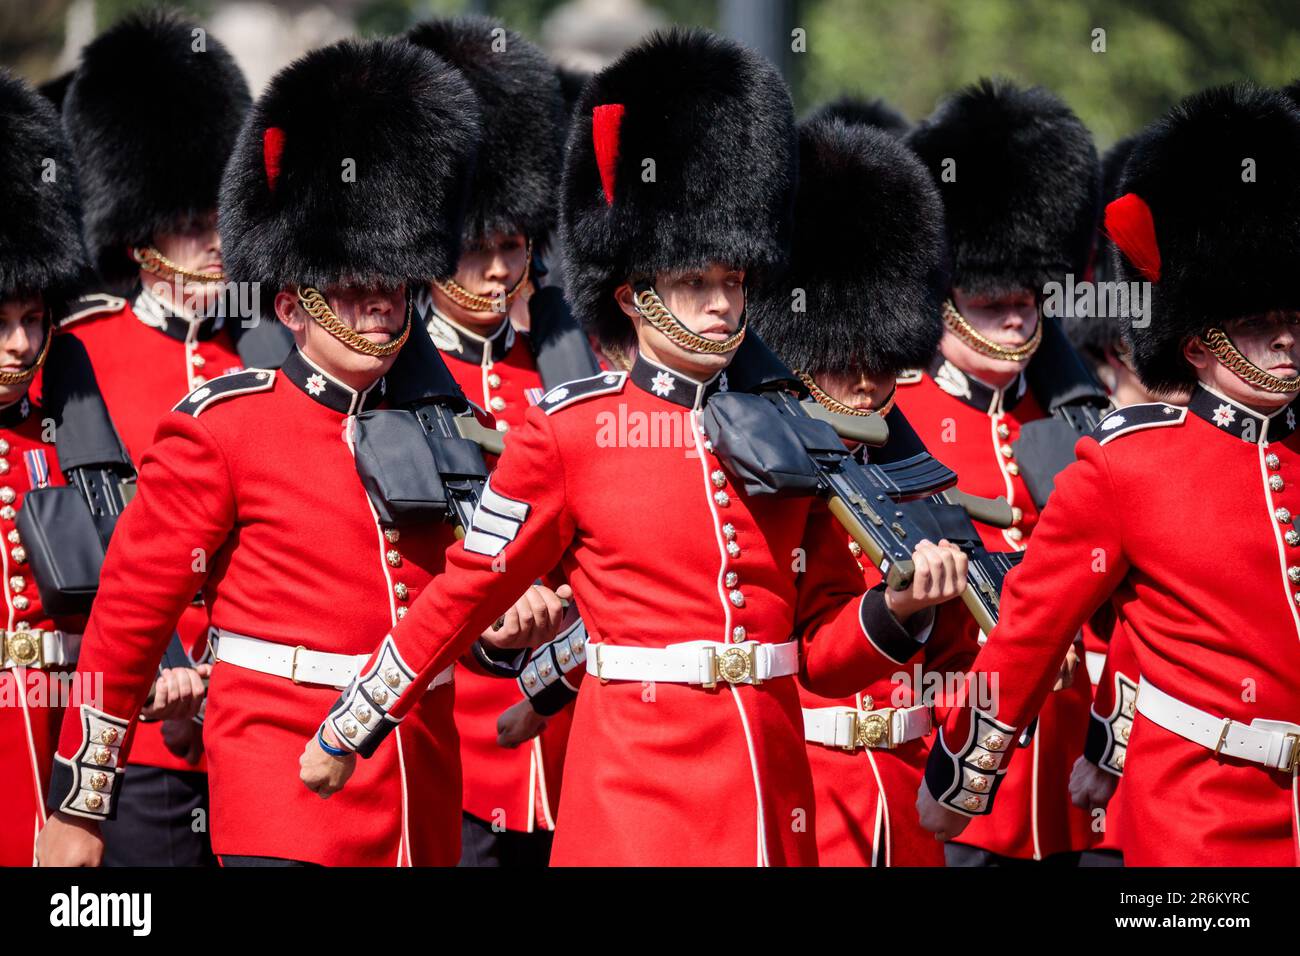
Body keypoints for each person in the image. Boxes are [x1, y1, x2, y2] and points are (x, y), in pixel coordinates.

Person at [299, 28, 967, 868]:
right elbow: (468, 589)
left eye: (734, 282)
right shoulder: (570, 430)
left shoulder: (793, 432)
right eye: (695, 283)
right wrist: (355, 722)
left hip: (769, 806)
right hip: (637, 804)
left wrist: (898, 609)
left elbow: (824, 655)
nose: (722, 305)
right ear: (634, 296)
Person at [33, 35, 550, 868]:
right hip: (289, 804)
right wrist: (83, 803)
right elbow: (130, 617)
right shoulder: (225, 427)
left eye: (393, 286)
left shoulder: (441, 423)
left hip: (420, 802)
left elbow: (449, 608)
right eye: (354, 288)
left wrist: (508, 630)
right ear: (293, 306)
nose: (379, 307)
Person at [917, 83, 1300, 867]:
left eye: (1293, 320)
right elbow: (1031, 630)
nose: (1287, 341)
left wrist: (1106, 740)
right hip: (1200, 820)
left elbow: (1149, 628)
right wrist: (962, 777)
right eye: (1261, 324)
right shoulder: (1132, 461)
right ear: (1197, 345)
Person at [750, 112, 980, 866]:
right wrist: (898, 607)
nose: (865, 382)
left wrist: (957, 768)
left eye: (883, 359)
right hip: (807, 796)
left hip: (906, 802)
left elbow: (955, 656)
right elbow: (807, 651)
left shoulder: (910, 462)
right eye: (845, 358)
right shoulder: (764, 473)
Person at [54, 9, 253, 865]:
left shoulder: (263, 350)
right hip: (137, 732)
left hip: (252, 722)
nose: (216, 243)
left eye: (221, 216)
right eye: (191, 222)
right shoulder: (82, 356)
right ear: (141, 236)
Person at [899, 78, 1102, 866]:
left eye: (1027, 299)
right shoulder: (897, 415)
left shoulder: (1070, 413)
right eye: (991, 302)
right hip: (955, 756)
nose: (1016, 319)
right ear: (946, 297)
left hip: (1063, 765)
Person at [405, 16, 581, 865]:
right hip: (461, 737)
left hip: (570, 744)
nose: (500, 270)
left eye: (513, 247)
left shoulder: (562, 359)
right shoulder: (399, 375)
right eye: (477, 250)